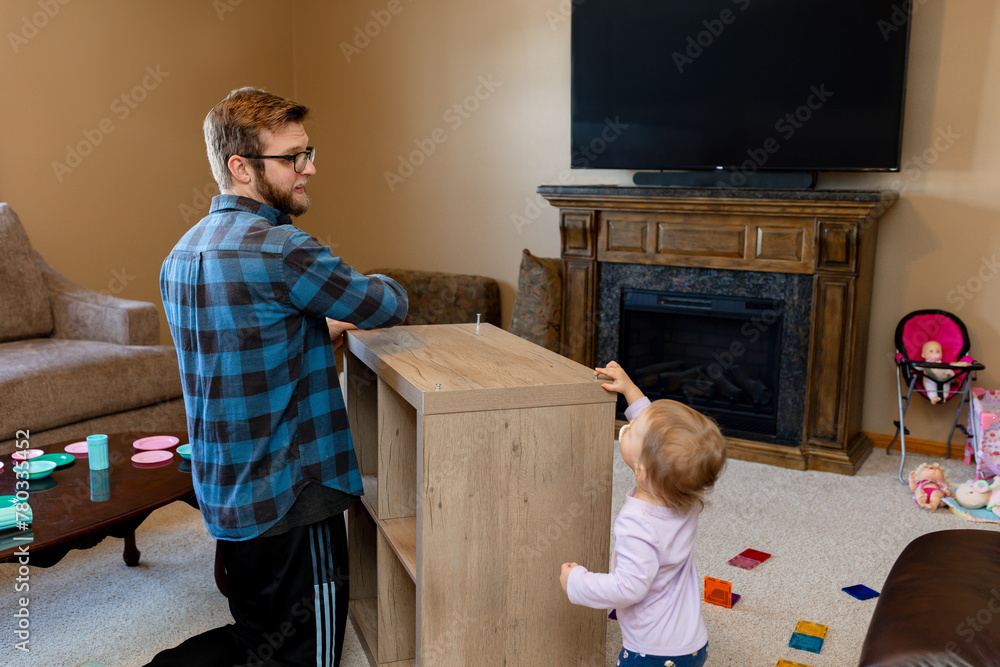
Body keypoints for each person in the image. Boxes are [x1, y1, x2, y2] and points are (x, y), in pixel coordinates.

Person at [151, 87, 408, 666]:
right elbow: (387, 303)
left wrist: (314, 327)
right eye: (293, 157)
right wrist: (350, 302)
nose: (309, 168)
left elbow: (243, 344)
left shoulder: (181, 254)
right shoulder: (281, 250)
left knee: (256, 630)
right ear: (241, 167)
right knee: (310, 653)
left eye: (307, 152)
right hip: (292, 493)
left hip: (228, 490)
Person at [560, 361, 726, 667]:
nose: (629, 426)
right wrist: (630, 390)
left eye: (632, 430)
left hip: (651, 653)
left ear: (641, 471)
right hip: (693, 645)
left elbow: (628, 588)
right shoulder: (686, 497)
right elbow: (659, 437)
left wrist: (577, 582)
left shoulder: (637, 523)